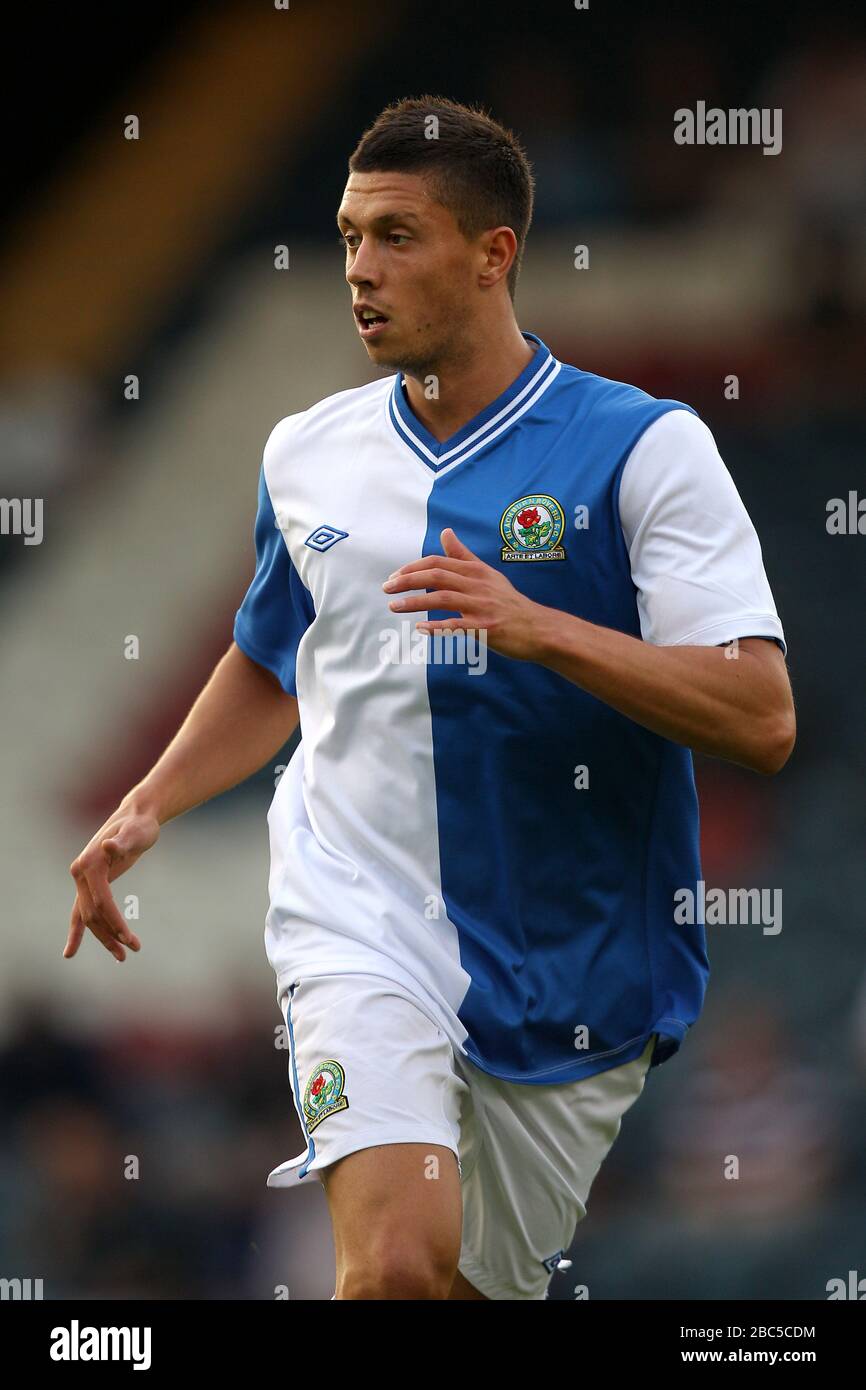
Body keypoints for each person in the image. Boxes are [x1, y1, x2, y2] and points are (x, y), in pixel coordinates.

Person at [65, 95, 796, 1301]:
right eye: (350, 236)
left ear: (491, 253)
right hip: (356, 906)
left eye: (396, 236)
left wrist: (541, 628)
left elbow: (759, 715)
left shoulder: (643, 449)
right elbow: (273, 653)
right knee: (396, 1263)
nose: (358, 268)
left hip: (574, 967)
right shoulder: (307, 452)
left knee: (459, 1289)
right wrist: (148, 804)